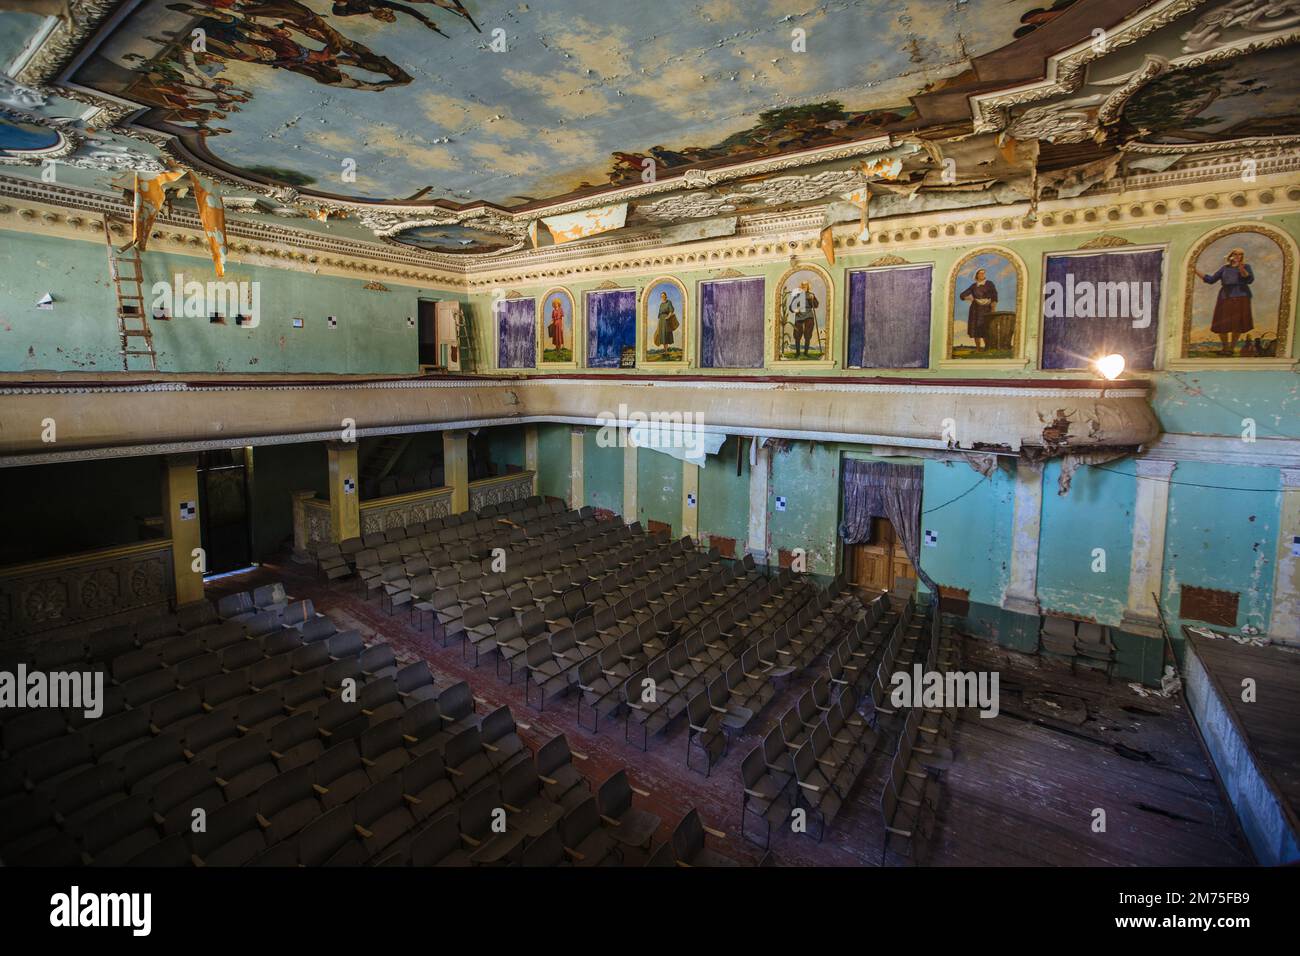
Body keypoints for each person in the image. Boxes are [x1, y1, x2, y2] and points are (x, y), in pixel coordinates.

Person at [1197, 247, 1254, 356]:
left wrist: (1241, 268)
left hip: (1241, 297)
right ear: (1231, 256)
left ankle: (1231, 349)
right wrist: (1194, 270)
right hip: (1225, 297)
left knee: (1237, 324)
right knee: (1223, 323)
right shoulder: (1224, 268)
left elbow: (1249, 280)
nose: (1238, 256)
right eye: (1236, 254)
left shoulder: (1246, 267)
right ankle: (1225, 348)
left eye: (1240, 254)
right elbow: (1211, 280)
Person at [958, 267, 997, 351]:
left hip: (987, 308)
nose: (982, 275)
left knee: (986, 328)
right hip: (975, 310)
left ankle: (987, 348)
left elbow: (994, 295)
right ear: (976, 275)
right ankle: (978, 348)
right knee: (976, 329)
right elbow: (962, 295)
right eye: (980, 273)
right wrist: (969, 298)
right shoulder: (973, 286)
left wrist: (993, 306)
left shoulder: (989, 283)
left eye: (983, 273)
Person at [789, 280, 819, 357]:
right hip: (799, 316)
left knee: (808, 334)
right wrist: (795, 309)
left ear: (808, 287)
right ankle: (798, 353)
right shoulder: (798, 295)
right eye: (803, 286)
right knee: (797, 334)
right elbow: (791, 307)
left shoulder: (811, 295)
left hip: (809, 316)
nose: (804, 287)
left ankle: (806, 353)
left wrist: (813, 299)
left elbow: (815, 305)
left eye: (805, 286)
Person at [653, 290, 678, 354]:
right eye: (661, 296)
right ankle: (665, 351)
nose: (662, 297)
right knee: (662, 335)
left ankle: (666, 351)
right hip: (661, 320)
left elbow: (671, 310)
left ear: (666, 296)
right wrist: (658, 323)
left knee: (666, 334)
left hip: (666, 320)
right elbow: (659, 314)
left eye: (663, 296)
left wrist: (668, 317)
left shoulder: (668, 302)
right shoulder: (661, 304)